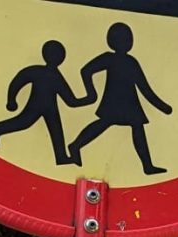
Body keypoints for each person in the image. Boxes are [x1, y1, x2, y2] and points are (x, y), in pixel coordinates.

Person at [66, 22, 172, 174]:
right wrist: (91, 93)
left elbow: (144, 87)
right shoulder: (109, 58)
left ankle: (147, 166)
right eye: (123, 39)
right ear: (112, 41)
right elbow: (86, 70)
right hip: (114, 101)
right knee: (104, 124)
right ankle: (75, 145)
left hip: (129, 103)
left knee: (135, 127)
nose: (127, 42)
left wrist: (161, 106)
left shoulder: (131, 62)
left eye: (128, 39)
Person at [0, 40, 91, 165]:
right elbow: (19, 80)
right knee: (24, 122)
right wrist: (11, 100)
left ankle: (61, 156)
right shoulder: (42, 72)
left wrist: (88, 100)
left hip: (50, 108)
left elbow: (70, 100)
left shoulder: (53, 75)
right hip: (36, 105)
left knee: (56, 130)